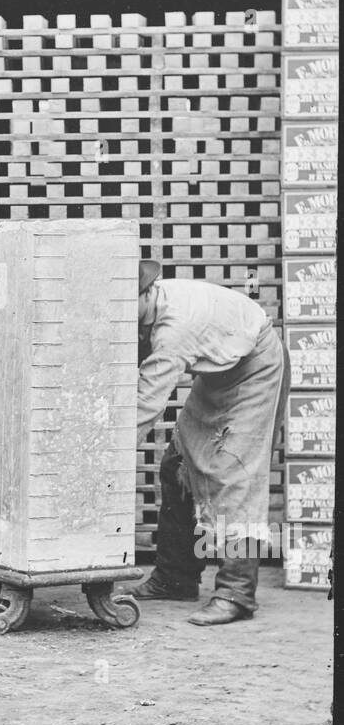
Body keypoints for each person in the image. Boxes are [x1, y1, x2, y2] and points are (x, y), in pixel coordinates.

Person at [131, 261, 290, 626]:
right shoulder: (150, 309)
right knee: (178, 465)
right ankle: (176, 576)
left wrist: (111, 460)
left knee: (233, 473)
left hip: (256, 367)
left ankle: (236, 593)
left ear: (147, 293)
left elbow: (146, 405)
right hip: (221, 370)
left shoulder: (174, 331)